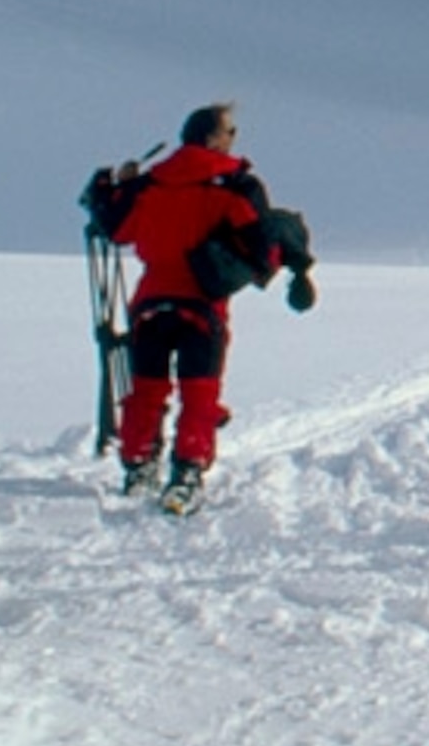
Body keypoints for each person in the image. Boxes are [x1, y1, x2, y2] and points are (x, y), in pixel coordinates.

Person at [83, 102, 315, 511]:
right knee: (199, 393)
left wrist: (116, 184)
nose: (234, 139)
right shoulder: (234, 185)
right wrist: (287, 258)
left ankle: (138, 466)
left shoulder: (149, 184)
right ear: (212, 138)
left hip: (150, 303)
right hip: (202, 306)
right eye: (230, 131)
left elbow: (115, 228)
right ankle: (187, 473)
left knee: (147, 388)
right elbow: (260, 245)